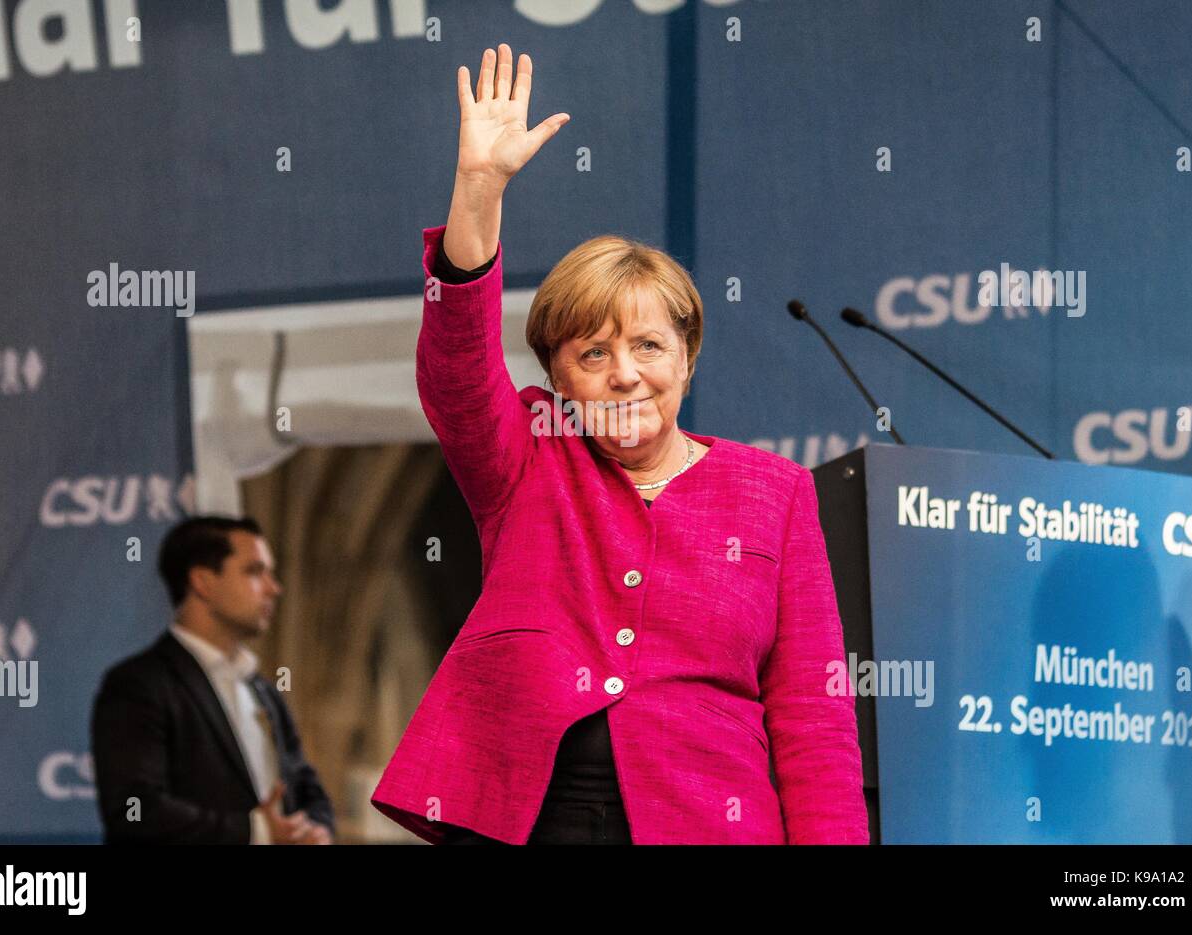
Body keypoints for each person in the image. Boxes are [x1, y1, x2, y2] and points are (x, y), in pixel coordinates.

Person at [371, 44, 867, 845]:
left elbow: (814, 713)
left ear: (687, 359)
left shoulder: (775, 492)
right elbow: (456, 369)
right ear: (559, 379)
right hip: (528, 820)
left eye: (648, 347)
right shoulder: (530, 450)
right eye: (593, 354)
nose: (625, 375)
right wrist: (479, 193)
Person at [91, 516, 334, 844]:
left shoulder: (262, 689)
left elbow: (306, 786)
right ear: (203, 582)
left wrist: (318, 831)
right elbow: (134, 811)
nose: (274, 588)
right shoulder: (139, 684)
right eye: (254, 571)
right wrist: (257, 832)